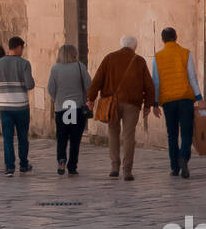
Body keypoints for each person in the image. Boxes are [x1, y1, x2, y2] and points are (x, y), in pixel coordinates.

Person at [87, 35, 155, 181]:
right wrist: (148, 104)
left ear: (121, 44)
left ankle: (114, 167)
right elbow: (149, 85)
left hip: (112, 103)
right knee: (129, 136)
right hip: (132, 103)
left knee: (113, 132)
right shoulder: (139, 61)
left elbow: (97, 79)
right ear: (134, 47)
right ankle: (127, 170)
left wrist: (91, 98)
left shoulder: (110, 58)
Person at [153, 25, 203, 179]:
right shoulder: (185, 53)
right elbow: (192, 78)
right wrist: (199, 98)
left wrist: (155, 103)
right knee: (187, 131)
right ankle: (184, 157)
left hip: (168, 100)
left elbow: (156, 81)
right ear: (176, 37)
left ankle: (174, 167)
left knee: (172, 134)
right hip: (185, 98)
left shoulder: (158, 57)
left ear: (162, 40)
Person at [0, 35, 34, 176]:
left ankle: (9, 168)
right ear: (19, 47)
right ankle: (24, 165)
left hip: (5, 108)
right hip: (21, 107)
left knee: (7, 138)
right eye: (22, 48)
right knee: (22, 137)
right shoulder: (25, 64)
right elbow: (30, 85)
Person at [47, 44, 91, 176]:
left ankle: (61, 160)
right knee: (75, 139)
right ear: (74, 53)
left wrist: (58, 99)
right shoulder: (79, 67)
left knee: (62, 137)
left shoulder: (55, 69)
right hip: (76, 107)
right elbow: (89, 85)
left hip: (63, 108)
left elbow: (51, 89)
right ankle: (72, 166)